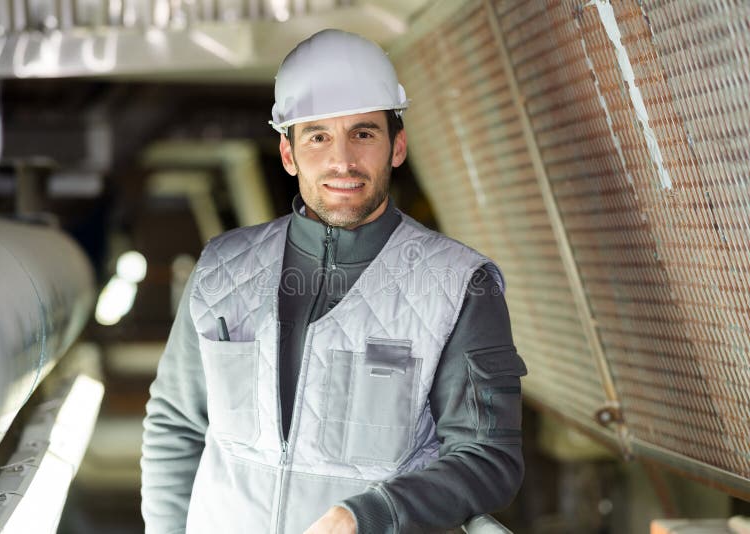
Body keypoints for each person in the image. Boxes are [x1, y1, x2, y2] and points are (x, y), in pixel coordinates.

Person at [141, 28, 527, 534]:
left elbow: (488, 457)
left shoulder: (459, 285)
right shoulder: (220, 268)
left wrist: (368, 514)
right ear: (289, 153)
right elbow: (176, 426)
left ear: (397, 146)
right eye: (318, 136)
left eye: (363, 133)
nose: (342, 160)